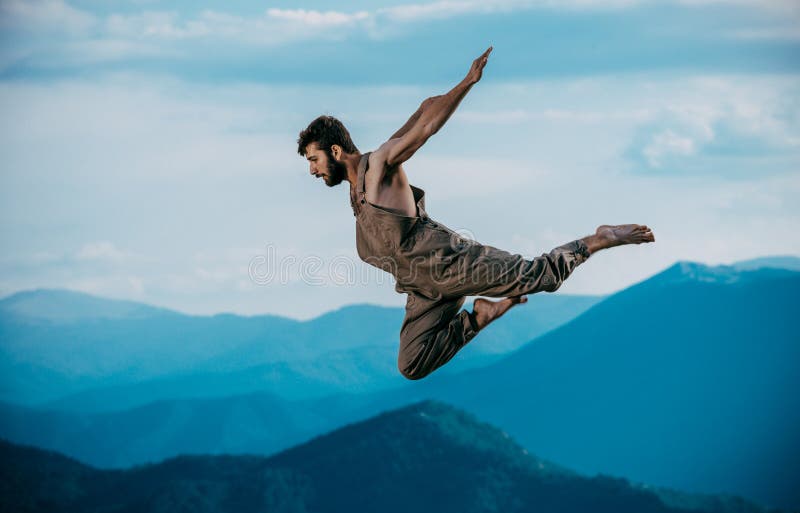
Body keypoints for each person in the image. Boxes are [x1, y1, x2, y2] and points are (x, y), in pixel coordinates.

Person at [297, 47, 655, 380]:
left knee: (538, 276)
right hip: (423, 291)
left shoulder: (380, 167)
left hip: (453, 263)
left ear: (335, 150)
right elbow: (423, 109)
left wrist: (466, 83)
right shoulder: (356, 196)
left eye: (313, 160)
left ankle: (599, 238)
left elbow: (425, 126)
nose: (312, 171)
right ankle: (482, 315)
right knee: (412, 364)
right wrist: (430, 104)